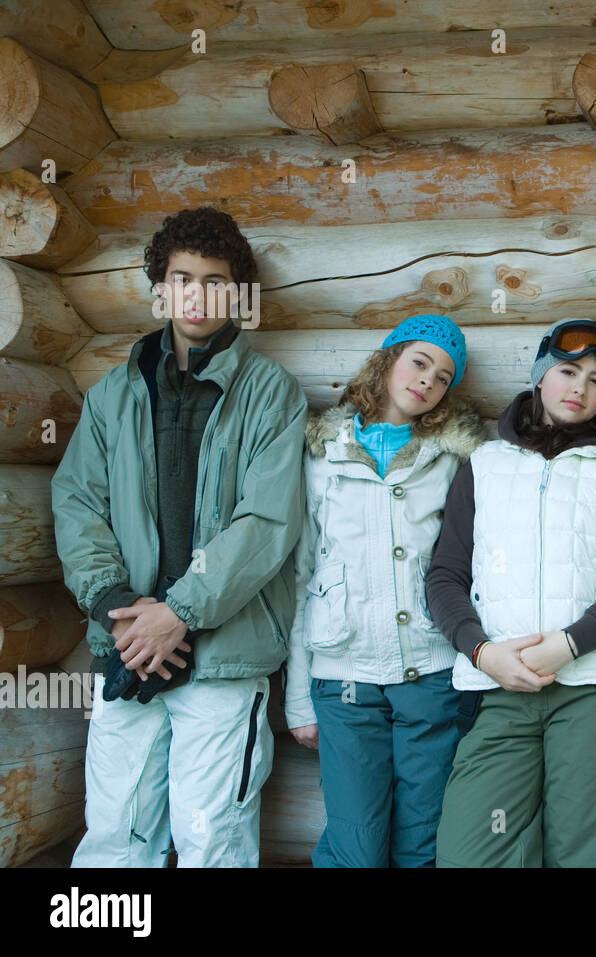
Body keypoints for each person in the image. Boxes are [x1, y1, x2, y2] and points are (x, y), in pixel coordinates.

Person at [51, 206, 306, 867]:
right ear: (160, 286)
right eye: (182, 278)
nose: (196, 295)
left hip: (223, 659)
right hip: (128, 648)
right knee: (113, 836)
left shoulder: (271, 394)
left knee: (211, 841)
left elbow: (267, 520)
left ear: (238, 294)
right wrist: (120, 610)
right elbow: (78, 501)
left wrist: (181, 613)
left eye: (215, 280)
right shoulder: (114, 393)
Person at [425, 318, 596, 867]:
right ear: (540, 376)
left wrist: (569, 644)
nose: (580, 387)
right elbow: (444, 578)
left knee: (590, 854)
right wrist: (482, 651)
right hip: (495, 692)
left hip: (593, 692)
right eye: (567, 371)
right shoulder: (483, 466)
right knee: (472, 854)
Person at [285, 315, 488, 867]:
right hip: (343, 675)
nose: (427, 380)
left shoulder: (451, 461)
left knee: (423, 838)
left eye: (443, 376)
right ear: (388, 359)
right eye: (419, 362)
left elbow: (468, 567)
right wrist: (299, 696)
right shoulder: (323, 453)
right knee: (358, 843)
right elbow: (303, 576)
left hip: (431, 673)